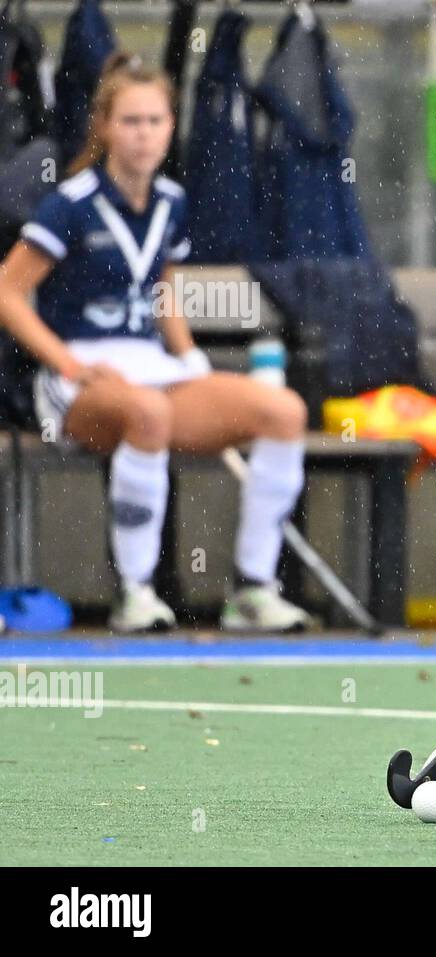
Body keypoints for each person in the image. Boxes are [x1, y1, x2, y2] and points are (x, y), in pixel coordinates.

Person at [0, 53, 311, 632]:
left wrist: (188, 355)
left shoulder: (170, 200)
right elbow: (7, 293)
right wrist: (68, 364)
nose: (144, 135)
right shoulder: (68, 203)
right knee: (146, 414)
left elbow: (160, 286)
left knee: (284, 411)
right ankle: (136, 592)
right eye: (130, 122)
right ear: (104, 127)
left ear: (171, 126)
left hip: (151, 367)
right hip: (79, 377)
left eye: (155, 121)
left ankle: (252, 589)